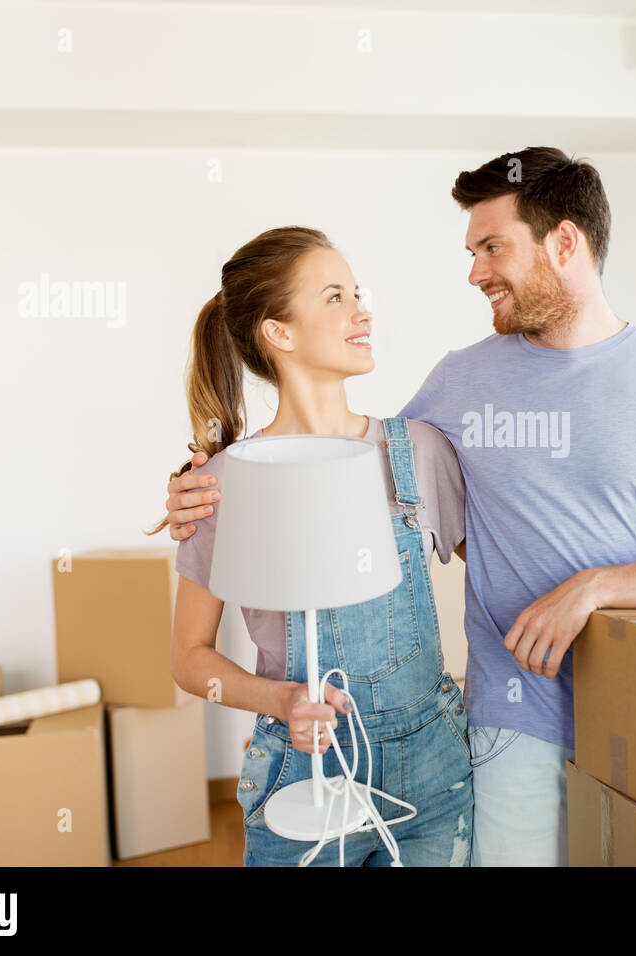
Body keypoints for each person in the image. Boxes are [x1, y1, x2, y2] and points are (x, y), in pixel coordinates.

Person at [164, 148, 636, 866]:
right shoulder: (458, 387)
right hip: (506, 726)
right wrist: (206, 486)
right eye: (472, 251)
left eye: (492, 248)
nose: (474, 272)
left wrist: (598, 586)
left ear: (564, 242)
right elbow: (341, 479)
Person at [148, 226, 473, 866]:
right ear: (280, 333)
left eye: (357, 293)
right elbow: (188, 659)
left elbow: (502, 576)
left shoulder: (420, 452)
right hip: (300, 773)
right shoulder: (221, 484)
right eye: (334, 297)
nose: (362, 310)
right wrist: (284, 701)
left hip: (433, 770)